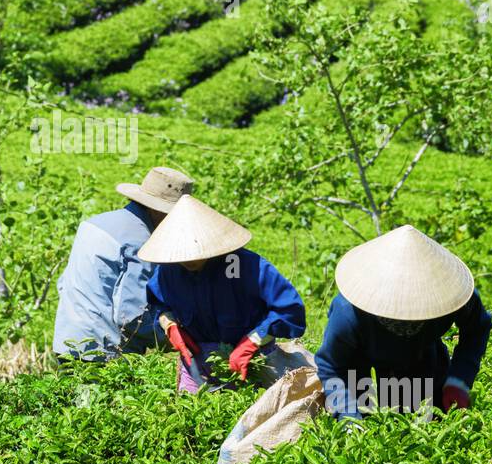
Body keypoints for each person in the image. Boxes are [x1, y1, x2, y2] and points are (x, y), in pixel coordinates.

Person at [314, 224, 492, 421]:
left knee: (428, 420)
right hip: (359, 366)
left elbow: (477, 329)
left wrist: (458, 380)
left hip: (425, 361)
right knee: (361, 416)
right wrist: (348, 418)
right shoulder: (349, 312)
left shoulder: (453, 295)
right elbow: (332, 365)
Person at [140, 195, 308, 393]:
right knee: (195, 414)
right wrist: (170, 325)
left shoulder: (247, 267)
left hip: (254, 359)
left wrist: (253, 340)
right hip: (197, 361)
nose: (188, 261)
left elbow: (290, 311)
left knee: (256, 414)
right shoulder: (168, 272)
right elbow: (158, 303)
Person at [53, 166, 195, 359]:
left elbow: (63, 283)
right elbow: (132, 316)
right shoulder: (142, 242)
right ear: (159, 211)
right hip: (103, 351)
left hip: (68, 339)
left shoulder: (95, 222)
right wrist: (175, 336)